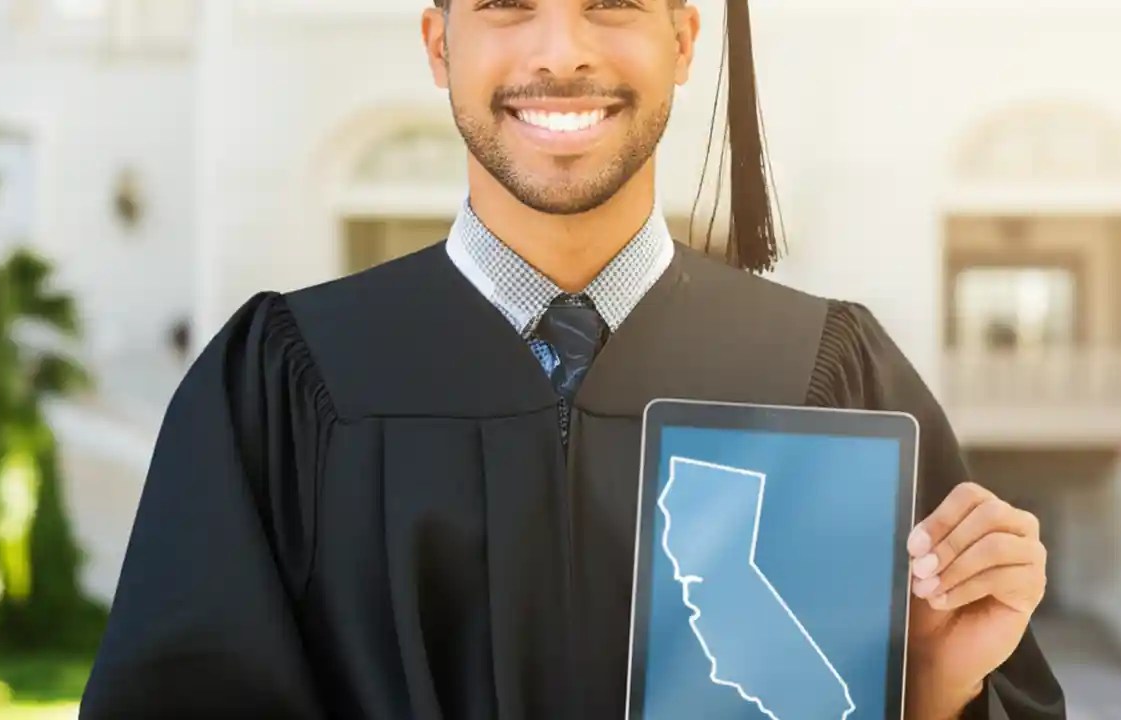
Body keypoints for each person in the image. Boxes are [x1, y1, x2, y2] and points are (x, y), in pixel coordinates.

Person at [81, 0, 1066, 718]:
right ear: (439, 43)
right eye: (509, 5)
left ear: (683, 40)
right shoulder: (288, 379)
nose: (561, 51)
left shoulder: (827, 372)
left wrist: (932, 692)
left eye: (612, 5)